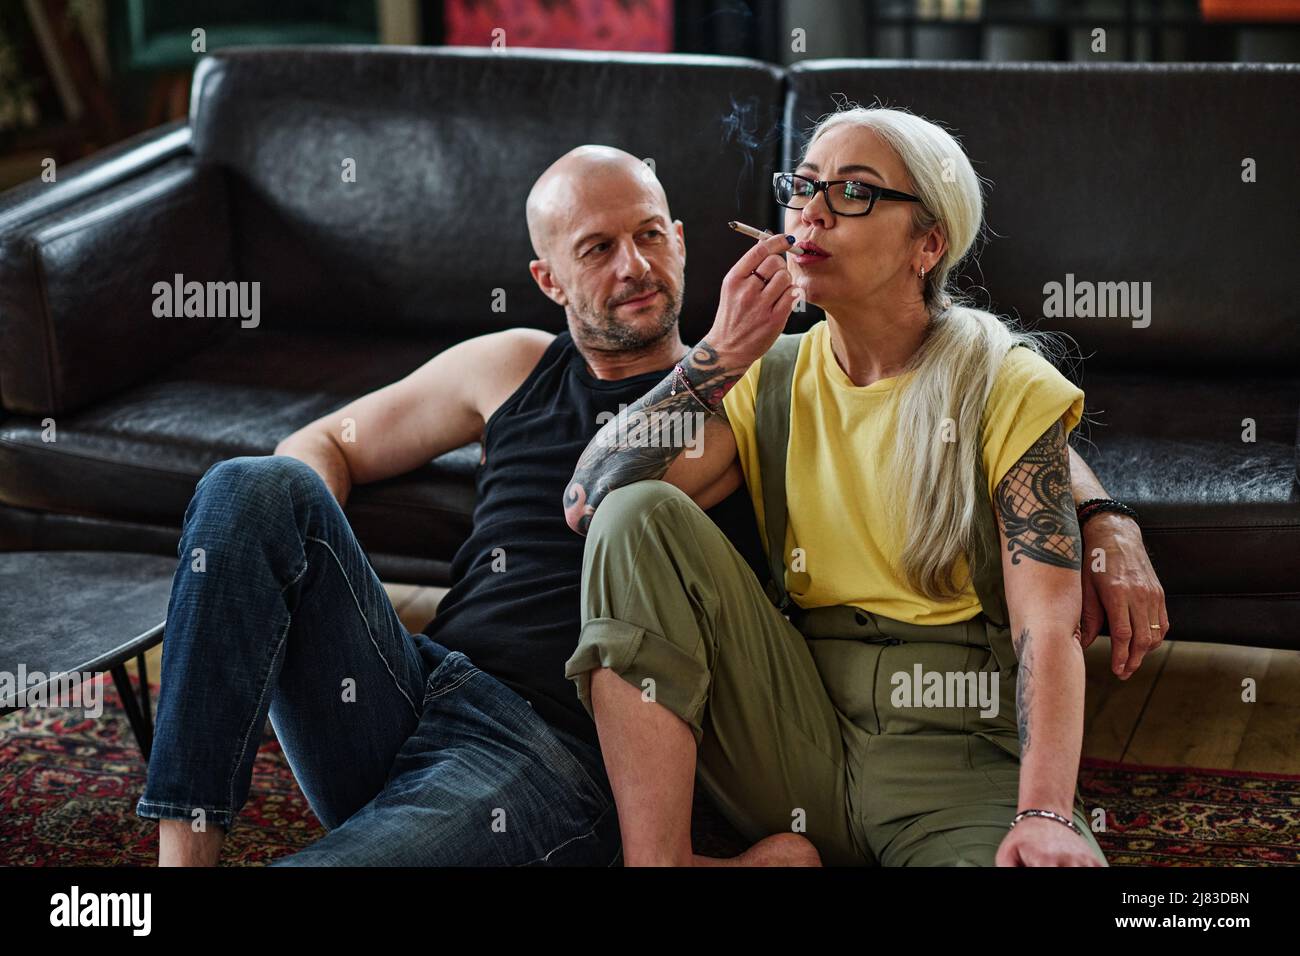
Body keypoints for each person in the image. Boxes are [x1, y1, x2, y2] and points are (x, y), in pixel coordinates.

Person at [136, 141, 1161, 867]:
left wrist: (1106, 514)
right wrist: (292, 598)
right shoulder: (508, 365)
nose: (633, 266)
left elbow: (963, 402)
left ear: (680, 239)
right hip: (417, 689)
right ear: (545, 277)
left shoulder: (756, 384)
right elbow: (329, 445)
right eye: (595, 249)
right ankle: (182, 850)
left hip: (554, 741)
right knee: (249, 484)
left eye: (649, 236)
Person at [562, 109, 1169, 866]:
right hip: (793, 731)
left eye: (854, 191)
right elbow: (589, 504)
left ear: (929, 243)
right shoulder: (769, 377)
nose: (811, 211)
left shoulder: (1005, 383)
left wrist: (1043, 810)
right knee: (638, 512)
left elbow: (1044, 627)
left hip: (954, 747)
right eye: (805, 187)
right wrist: (715, 356)